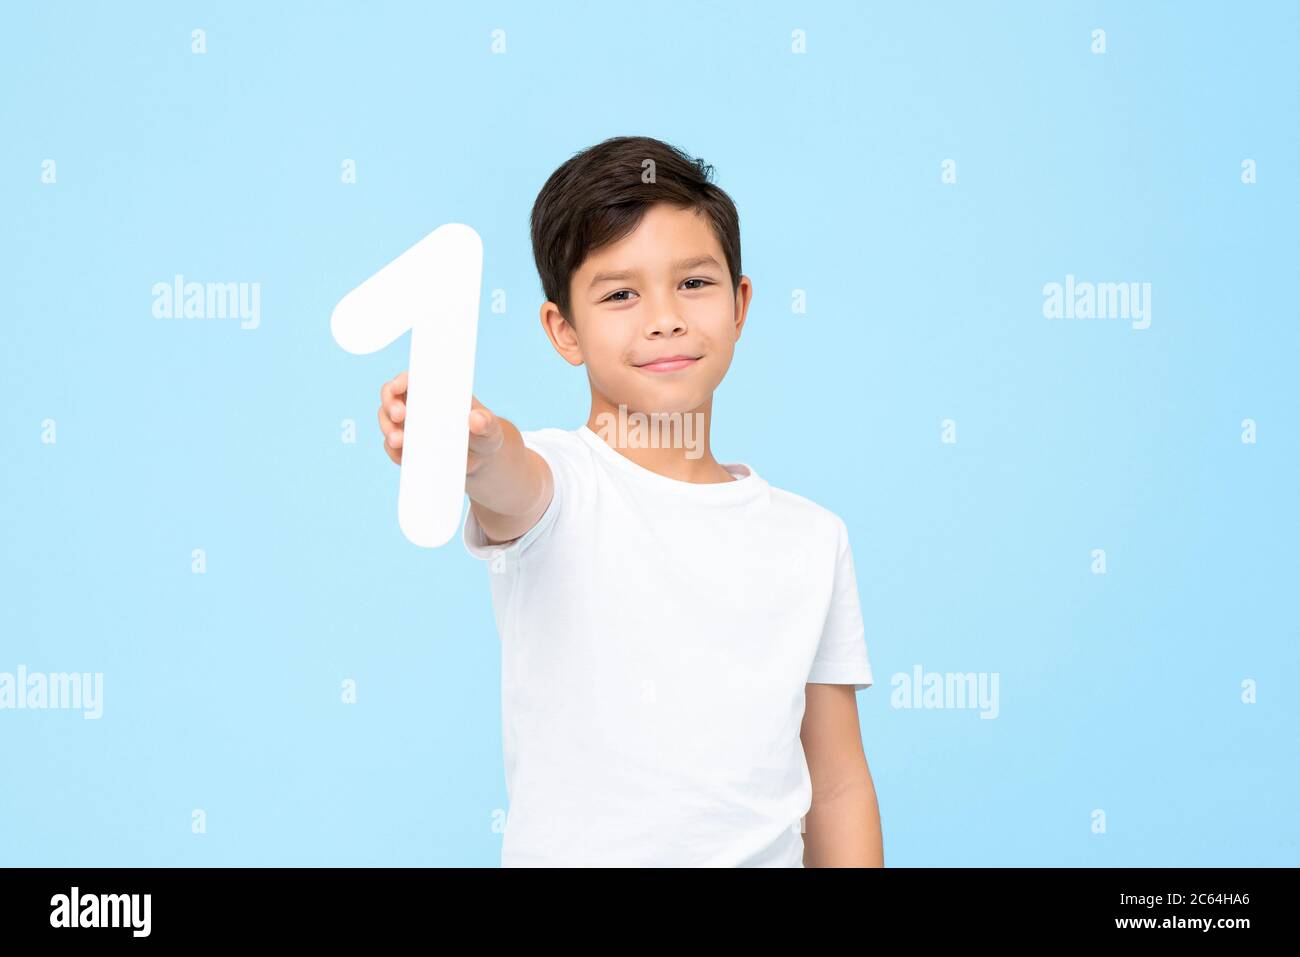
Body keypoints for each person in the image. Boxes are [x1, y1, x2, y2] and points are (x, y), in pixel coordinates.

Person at [377, 135, 883, 867]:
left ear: (740, 303)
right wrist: (476, 446)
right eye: (620, 294)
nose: (665, 318)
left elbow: (837, 784)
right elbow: (511, 477)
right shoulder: (560, 483)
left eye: (695, 284)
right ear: (563, 330)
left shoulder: (812, 537)